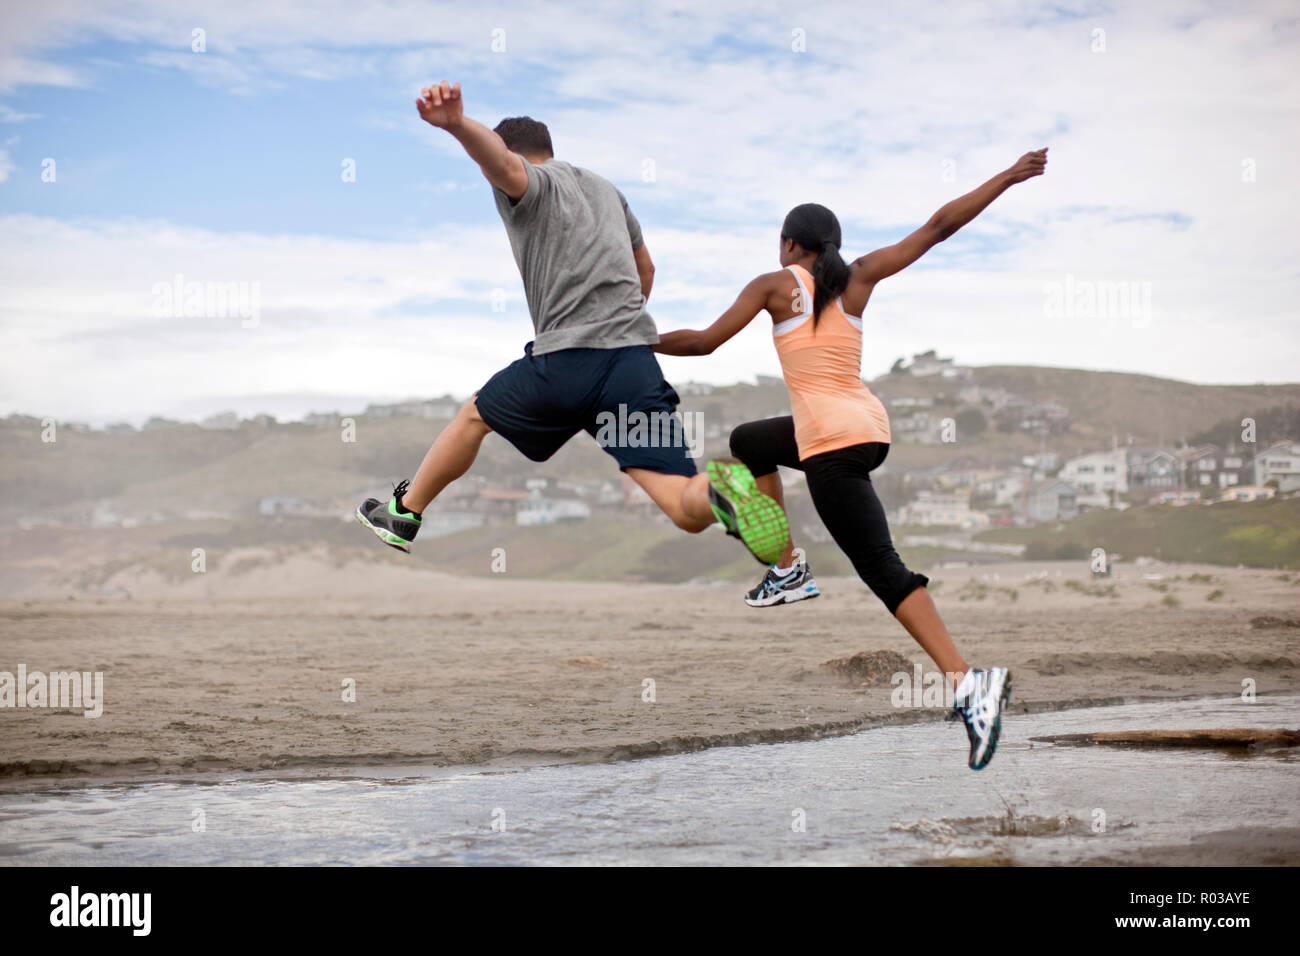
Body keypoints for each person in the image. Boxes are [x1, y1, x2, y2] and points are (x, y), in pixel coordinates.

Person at [652, 148, 1049, 769]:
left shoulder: (773, 285)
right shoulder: (857, 278)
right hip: (866, 429)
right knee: (751, 441)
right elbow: (939, 228)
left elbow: (702, 343)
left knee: (881, 569)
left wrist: (636, 337)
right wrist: (1007, 176)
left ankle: (970, 685)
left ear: (789, 245)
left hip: (833, 447)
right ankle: (786, 567)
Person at [355, 81, 788, 567]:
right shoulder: (607, 191)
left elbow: (500, 164)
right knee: (681, 502)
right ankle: (718, 491)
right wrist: (618, 322)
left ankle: (405, 513)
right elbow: (645, 268)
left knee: (475, 415)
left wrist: (456, 124)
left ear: (513, 152)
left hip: (567, 361)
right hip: (632, 365)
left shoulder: (534, 185)